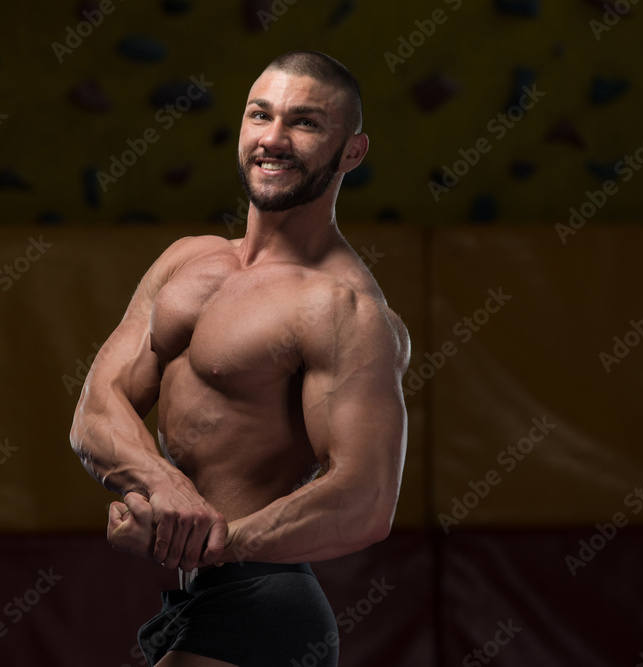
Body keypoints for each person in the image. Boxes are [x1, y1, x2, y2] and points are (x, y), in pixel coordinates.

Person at [70, 50, 410, 667]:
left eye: (304, 123)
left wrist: (207, 542)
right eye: (261, 115)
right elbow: (96, 410)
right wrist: (163, 485)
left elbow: (365, 498)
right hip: (194, 601)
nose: (273, 139)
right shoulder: (187, 261)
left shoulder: (341, 308)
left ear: (352, 152)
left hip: (265, 606)